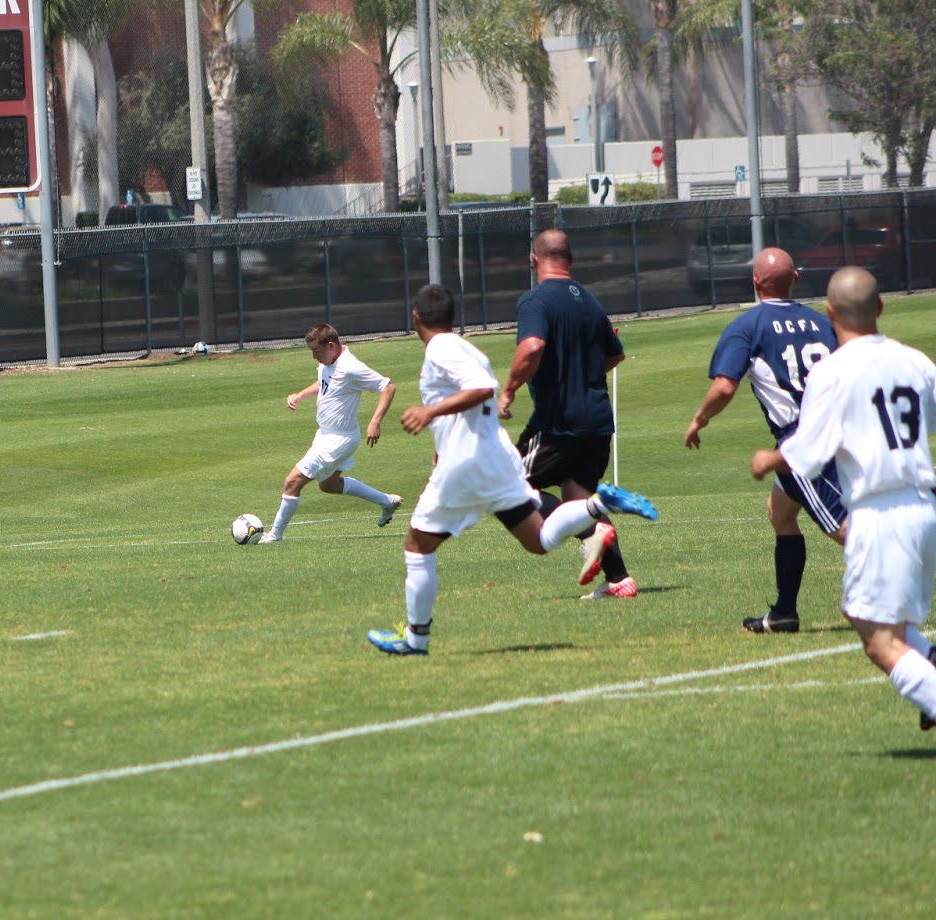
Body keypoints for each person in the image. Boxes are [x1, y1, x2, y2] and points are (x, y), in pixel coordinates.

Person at [751, 267, 936, 762]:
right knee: (864, 615)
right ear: (882, 309)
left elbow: (808, 453)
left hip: (877, 511)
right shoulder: (913, 360)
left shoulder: (833, 370)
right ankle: (933, 659)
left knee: (878, 642)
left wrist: (769, 459)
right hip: (921, 510)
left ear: (829, 315)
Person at [367, 285, 658, 656]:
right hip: (495, 459)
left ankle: (416, 640)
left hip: (467, 464)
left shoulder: (441, 348)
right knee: (538, 542)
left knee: (417, 545)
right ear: (453, 316)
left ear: (416, 317)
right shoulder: (464, 346)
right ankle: (597, 505)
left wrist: (429, 412)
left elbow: (481, 388)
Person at [684, 247, 849, 633]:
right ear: (795, 278)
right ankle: (784, 614)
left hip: (803, 441)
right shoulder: (822, 322)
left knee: (845, 531)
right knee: (780, 512)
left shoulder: (749, 325)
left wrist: (699, 418)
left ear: (756, 282)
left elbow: (724, 386)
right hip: (840, 426)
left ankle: (893, 592)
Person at [501, 229, 637, 600]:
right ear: (571, 260)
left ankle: (593, 528)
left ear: (534, 259)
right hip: (597, 424)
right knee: (576, 494)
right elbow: (615, 354)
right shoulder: (591, 302)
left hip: (558, 424)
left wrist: (509, 389)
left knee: (505, 482)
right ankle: (619, 579)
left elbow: (532, 346)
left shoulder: (535, 300)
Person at [257, 323, 402, 543]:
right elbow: (324, 382)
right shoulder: (328, 363)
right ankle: (386, 501)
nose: (314, 357)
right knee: (329, 486)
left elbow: (388, 387)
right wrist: (300, 394)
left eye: (317, 352)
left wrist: (375, 421)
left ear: (331, 345)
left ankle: (275, 534)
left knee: (292, 482)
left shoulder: (351, 367)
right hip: (325, 435)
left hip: (339, 439)